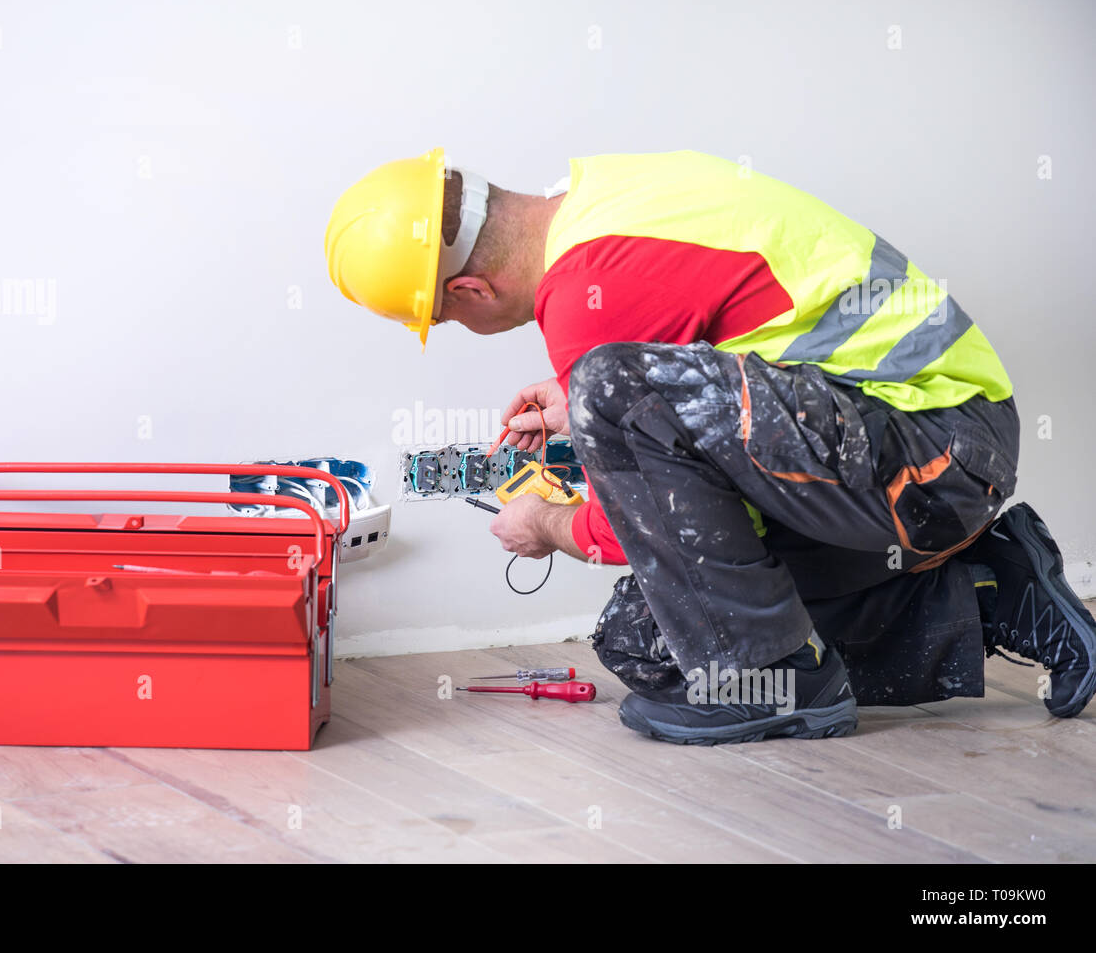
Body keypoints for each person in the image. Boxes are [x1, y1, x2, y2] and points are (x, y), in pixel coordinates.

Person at [324, 147, 1095, 744]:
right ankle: (997, 594)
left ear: (471, 291)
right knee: (649, 644)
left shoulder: (584, 291)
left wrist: (551, 526)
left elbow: (640, 521)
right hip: (910, 442)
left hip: (939, 450)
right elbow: (733, 339)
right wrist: (589, 410)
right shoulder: (602, 196)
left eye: (452, 319)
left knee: (612, 393)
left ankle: (782, 684)